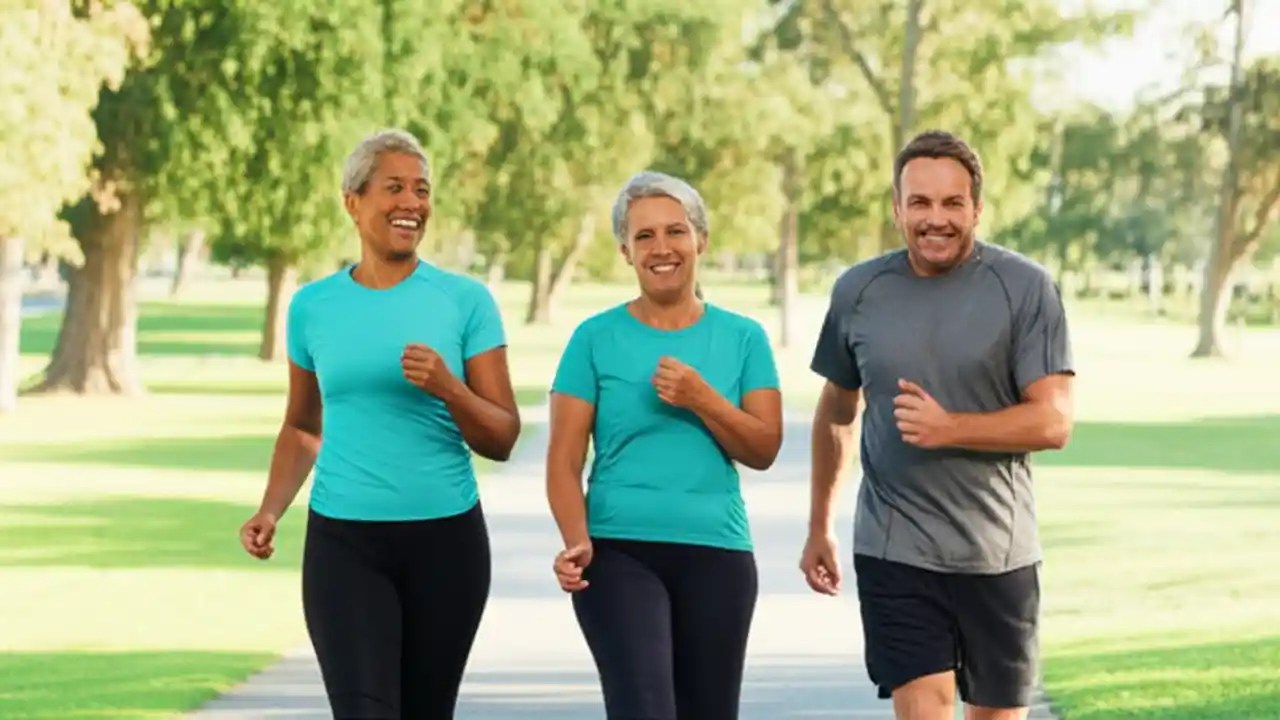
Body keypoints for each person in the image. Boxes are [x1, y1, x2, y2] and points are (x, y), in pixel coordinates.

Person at [237, 128, 521, 719]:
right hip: (344, 543)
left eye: (422, 190)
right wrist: (270, 509)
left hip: (446, 543)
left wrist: (449, 386)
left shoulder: (464, 301)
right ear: (353, 200)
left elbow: (501, 436)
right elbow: (302, 426)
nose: (412, 203)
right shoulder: (313, 306)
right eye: (394, 187)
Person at [800, 130, 1075, 720]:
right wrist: (820, 523)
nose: (936, 219)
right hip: (894, 548)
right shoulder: (859, 291)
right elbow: (837, 409)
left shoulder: (1024, 288)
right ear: (897, 209)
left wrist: (951, 428)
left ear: (977, 207)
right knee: (925, 707)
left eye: (953, 203)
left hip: (997, 553)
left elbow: (1053, 421)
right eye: (920, 203)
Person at [545, 171, 784, 720]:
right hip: (617, 551)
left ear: (700, 239)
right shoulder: (593, 338)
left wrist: (702, 397)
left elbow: (764, 447)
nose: (661, 248)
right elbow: (562, 461)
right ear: (625, 251)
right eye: (644, 236)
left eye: (675, 231)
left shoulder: (744, 338)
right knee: (644, 708)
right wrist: (576, 539)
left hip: (718, 554)